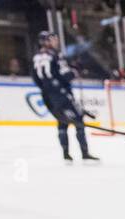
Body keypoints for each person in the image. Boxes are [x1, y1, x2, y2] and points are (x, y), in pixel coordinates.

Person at [32, 32, 97, 162]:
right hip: (62, 93)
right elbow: (65, 75)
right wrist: (76, 70)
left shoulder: (37, 57)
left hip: (48, 95)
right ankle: (84, 153)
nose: (56, 41)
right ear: (45, 42)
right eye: (52, 39)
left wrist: (47, 88)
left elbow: (36, 78)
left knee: (62, 121)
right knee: (78, 119)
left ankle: (66, 154)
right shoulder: (55, 55)